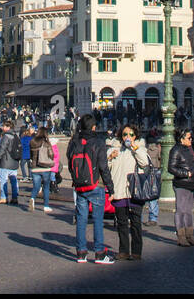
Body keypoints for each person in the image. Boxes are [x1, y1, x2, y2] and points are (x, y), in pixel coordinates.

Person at [66, 113, 115, 264]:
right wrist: (110, 187)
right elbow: (103, 166)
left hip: (79, 185)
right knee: (98, 220)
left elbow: (69, 162)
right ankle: (99, 252)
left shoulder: (74, 141)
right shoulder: (98, 142)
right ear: (94, 127)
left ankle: (81, 252)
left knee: (81, 219)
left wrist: (76, 179)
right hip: (95, 184)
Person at [108, 124, 151, 260]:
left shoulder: (140, 147)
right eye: (125, 134)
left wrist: (134, 148)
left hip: (135, 191)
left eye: (131, 134)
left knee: (136, 222)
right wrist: (110, 158)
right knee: (121, 223)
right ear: (121, 136)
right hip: (120, 190)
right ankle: (124, 250)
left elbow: (145, 163)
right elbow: (106, 167)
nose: (128, 137)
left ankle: (137, 251)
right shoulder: (115, 148)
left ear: (136, 136)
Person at [167, 128, 194, 246]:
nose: (191, 140)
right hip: (181, 183)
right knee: (180, 210)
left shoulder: (189, 149)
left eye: (191, 138)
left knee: (188, 211)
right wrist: (186, 174)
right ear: (181, 139)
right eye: (188, 138)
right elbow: (171, 168)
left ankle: (190, 235)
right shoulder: (175, 150)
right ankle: (181, 236)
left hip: (191, 183)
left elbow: (190, 163)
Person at [30, 126, 58, 212]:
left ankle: (32, 198)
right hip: (45, 167)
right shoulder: (46, 143)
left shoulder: (33, 141)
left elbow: (31, 154)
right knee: (46, 187)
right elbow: (51, 154)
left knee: (36, 186)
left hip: (35, 167)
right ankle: (46, 206)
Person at [0, 120, 21, 205]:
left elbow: (2, 149)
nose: (3, 128)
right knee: (14, 180)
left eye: (4, 126)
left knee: (3, 180)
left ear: (8, 127)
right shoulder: (16, 135)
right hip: (14, 161)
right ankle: (15, 197)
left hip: (6, 161)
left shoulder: (6, 136)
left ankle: (4, 197)